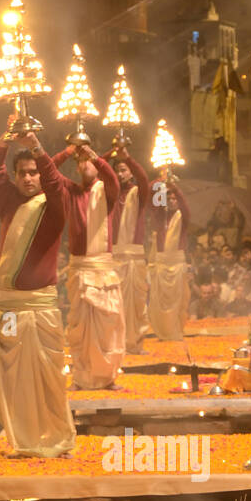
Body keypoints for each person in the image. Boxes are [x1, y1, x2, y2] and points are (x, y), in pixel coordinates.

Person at [0, 129, 76, 457]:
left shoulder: (54, 206)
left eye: (33, 172)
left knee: (49, 381)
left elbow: (53, 181)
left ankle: (55, 438)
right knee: (12, 378)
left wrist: (38, 147)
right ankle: (20, 439)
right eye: (21, 173)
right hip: (8, 309)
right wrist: (5, 137)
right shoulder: (8, 201)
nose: (27, 178)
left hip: (40, 310)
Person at [51, 142, 125, 391]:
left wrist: (95, 155)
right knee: (79, 329)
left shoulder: (108, 191)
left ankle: (108, 377)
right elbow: (47, 170)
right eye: (80, 162)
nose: (84, 165)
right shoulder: (71, 191)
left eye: (89, 161)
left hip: (103, 269)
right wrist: (68, 150)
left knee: (107, 328)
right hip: (80, 270)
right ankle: (82, 379)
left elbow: (111, 176)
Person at [108, 150, 149, 354]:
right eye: (116, 171)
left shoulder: (138, 193)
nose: (119, 174)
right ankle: (117, 343)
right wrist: (111, 153)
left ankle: (134, 344)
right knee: (114, 304)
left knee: (136, 305)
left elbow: (144, 179)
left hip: (134, 259)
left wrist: (128, 157)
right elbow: (99, 172)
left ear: (130, 173)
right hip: (114, 259)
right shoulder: (111, 194)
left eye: (123, 170)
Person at [147, 176, 191, 340]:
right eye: (169, 198)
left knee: (178, 302)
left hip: (177, 265)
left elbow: (185, 206)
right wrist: (160, 179)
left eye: (175, 199)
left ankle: (176, 332)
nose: (172, 201)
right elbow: (152, 196)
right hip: (161, 265)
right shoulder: (160, 216)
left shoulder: (183, 216)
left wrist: (173, 186)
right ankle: (163, 333)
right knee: (158, 304)